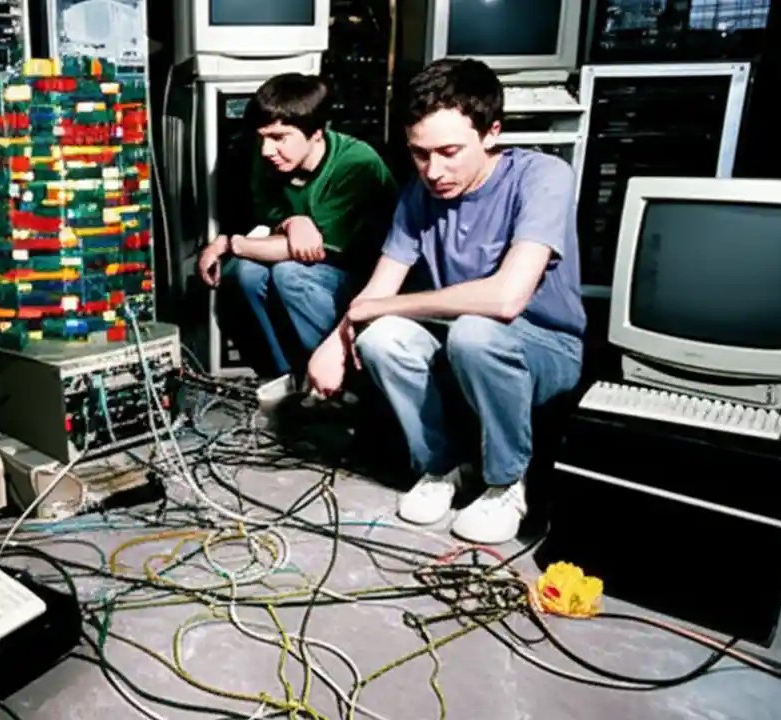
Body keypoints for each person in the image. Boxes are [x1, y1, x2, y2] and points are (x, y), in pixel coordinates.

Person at [307, 58, 586, 544]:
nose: (434, 171)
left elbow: (505, 299)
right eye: (419, 154)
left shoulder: (544, 176)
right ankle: (441, 468)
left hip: (545, 347)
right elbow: (380, 288)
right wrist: (338, 339)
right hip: (461, 340)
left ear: (491, 133)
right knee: (382, 340)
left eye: (450, 151)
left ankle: (506, 482)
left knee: (473, 332)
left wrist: (376, 309)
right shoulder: (419, 193)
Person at [196, 73, 397, 392]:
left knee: (290, 275)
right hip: (314, 267)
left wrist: (229, 242)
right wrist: (291, 222)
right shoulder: (271, 159)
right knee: (244, 275)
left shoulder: (356, 164)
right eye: (263, 137)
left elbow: (307, 252)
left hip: (366, 278)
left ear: (316, 133)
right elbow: (269, 221)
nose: (266, 150)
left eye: (280, 137)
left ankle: (342, 384)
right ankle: (286, 382)